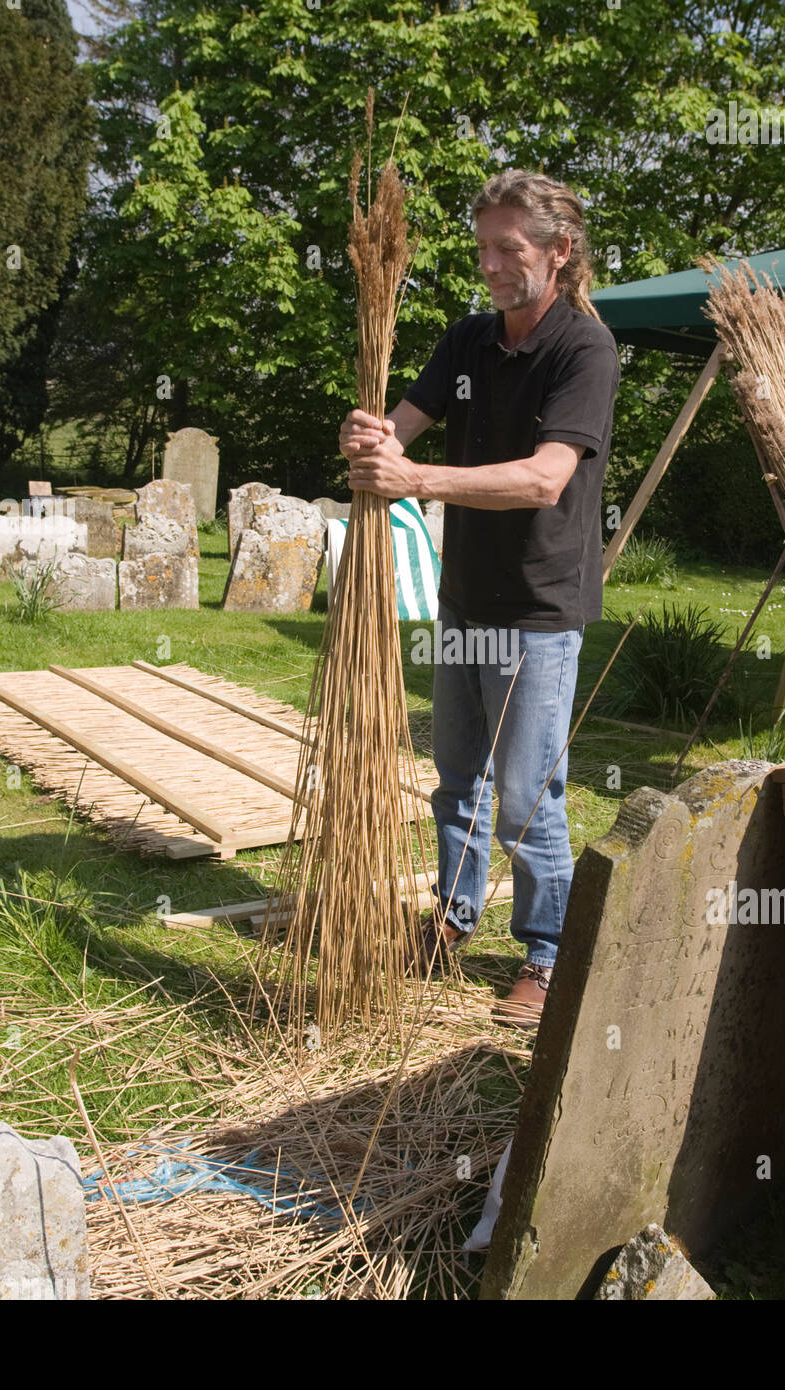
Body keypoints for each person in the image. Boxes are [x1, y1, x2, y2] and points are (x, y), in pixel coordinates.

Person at [340, 169, 619, 1028]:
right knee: (455, 780)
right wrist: (370, 432)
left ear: (559, 251)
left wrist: (414, 478)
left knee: (527, 796)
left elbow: (543, 480)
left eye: (511, 248)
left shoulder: (583, 351)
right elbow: (404, 424)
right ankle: (453, 918)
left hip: (537, 611)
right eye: (482, 248)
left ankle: (545, 952)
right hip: (464, 601)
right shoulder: (467, 340)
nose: (493, 265)